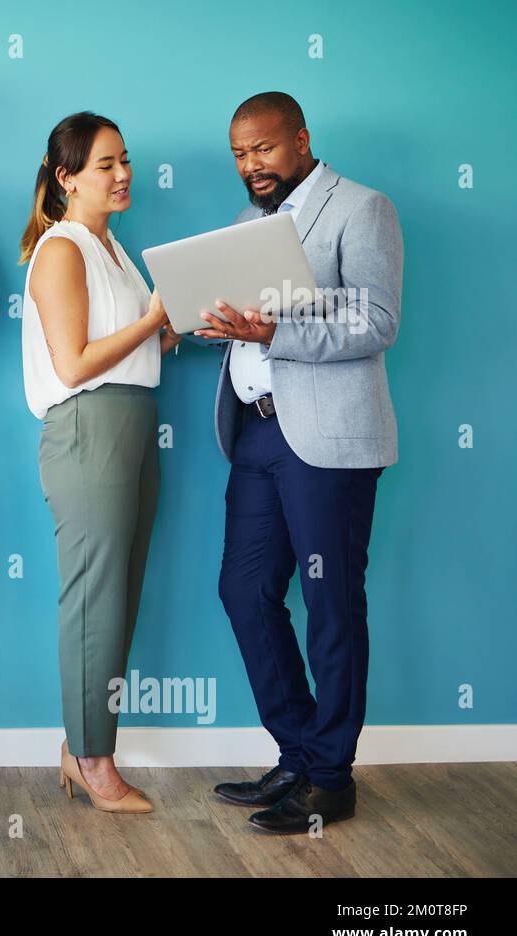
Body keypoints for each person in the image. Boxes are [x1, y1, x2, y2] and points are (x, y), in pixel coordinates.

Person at [194, 92, 402, 834]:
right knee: (245, 591)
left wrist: (273, 328)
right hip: (254, 434)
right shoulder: (249, 224)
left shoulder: (362, 208)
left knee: (331, 604)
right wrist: (215, 322)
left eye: (264, 149)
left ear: (302, 140)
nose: (252, 165)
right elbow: (243, 324)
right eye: (240, 154)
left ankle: (331, 777)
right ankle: (298, 752)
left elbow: (377, 321)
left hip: (328, 440)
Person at [19, 112, 181, 815]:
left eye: (125, 161)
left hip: (135, 422)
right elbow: (75, 362)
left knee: (120, 595)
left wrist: (172, 328)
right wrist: (150, 321)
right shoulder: (62, 248)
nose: (123, 175)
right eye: (106, 164)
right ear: (67, 178)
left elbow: (131, 349)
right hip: (90, 430)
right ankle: (92, 759)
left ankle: (82, 748)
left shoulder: (115, 249)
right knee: (95, 600)